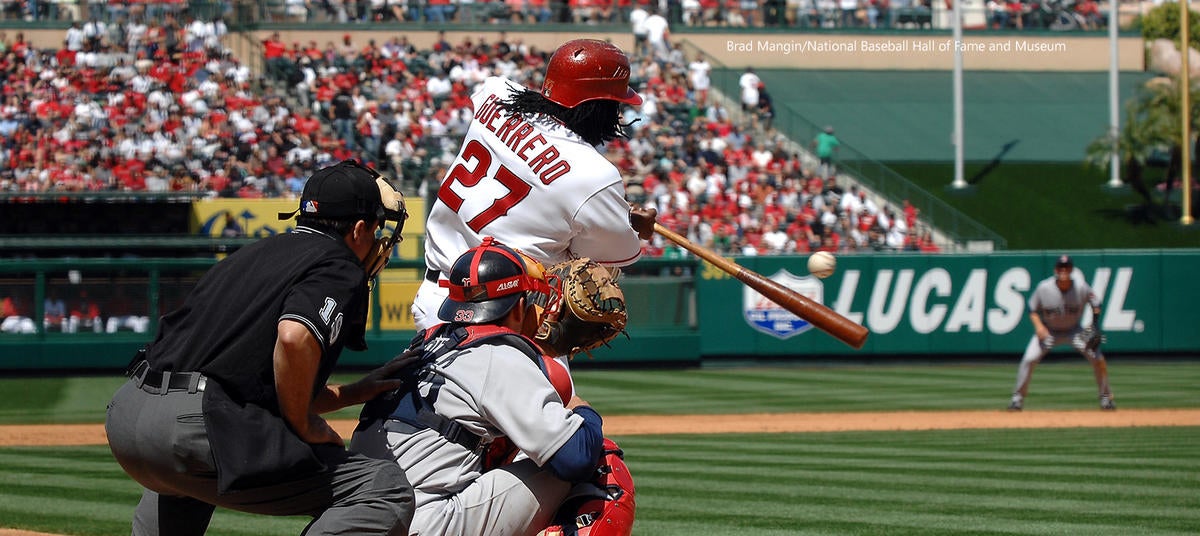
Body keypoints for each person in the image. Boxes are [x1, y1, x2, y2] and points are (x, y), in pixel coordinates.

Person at [105, 160, 416, 536]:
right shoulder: (339, 264)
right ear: (359, 229)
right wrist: (304, 423)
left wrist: (349, 393)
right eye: (376, 228)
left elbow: (252, 381)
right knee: (381, 488)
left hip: (128, 415)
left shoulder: (254, 254)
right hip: (192, 425)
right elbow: (294, 337)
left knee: (187, 483)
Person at [352, 238, 607, 535]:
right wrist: (583, 410)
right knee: (597, 456)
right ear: (517, 307)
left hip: (360, 519)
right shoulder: (497, 354)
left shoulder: (424, 345)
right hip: (423, 522)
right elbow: (574, 458)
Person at [412, 38, 657, 334]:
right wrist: (634, 229)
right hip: (501, 319)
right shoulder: (595, 175)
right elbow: (611, 259)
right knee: (556, 383)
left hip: (433, 298)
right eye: (615, 103)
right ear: (599, 107)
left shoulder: (496, 93)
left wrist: (616, 211)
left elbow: (529, 175)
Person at [1008, 255, 1115, 411]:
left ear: (1071, 270)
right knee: (1029, 359)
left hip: (1075, 330)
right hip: (1049, 331)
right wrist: (1039, 326)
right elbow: (1032, 309)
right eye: (1060, 267)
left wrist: (1094, 325)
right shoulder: (1044, 287)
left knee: (1098, 358)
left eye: (1066, 267)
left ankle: (1106, 399)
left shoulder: (1081, 287)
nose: (1063, 271)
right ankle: (1017, 400)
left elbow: (1096, 303)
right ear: (1055, 270)